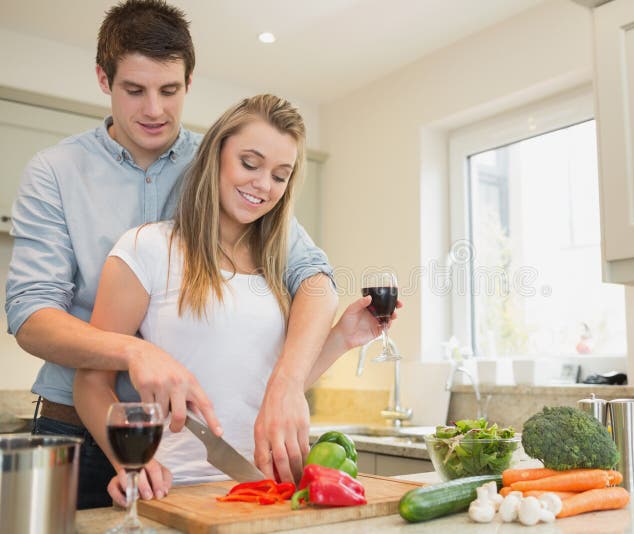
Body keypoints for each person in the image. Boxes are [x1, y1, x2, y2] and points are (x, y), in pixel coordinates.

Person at [4, 0, 337, 509]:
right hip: (74, 421)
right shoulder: (55, 171)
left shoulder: (222, 165)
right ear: (103, 78)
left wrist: (289, 383)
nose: (154, 110)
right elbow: (30, 315)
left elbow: (314, 276)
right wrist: (135, 352)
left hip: (179, 444)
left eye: (170, 90)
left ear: (188, 82)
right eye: (134, 90)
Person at [74, 94, 394, 504]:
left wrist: (341, 339)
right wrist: (128, 462)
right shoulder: (147, 248)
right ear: (216, 155)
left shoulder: (278, 268)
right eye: (250, 163)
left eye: (280, 175)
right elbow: (90, 381)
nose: (263, 185)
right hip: (177, 493)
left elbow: (268, 388)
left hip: (269, 491)